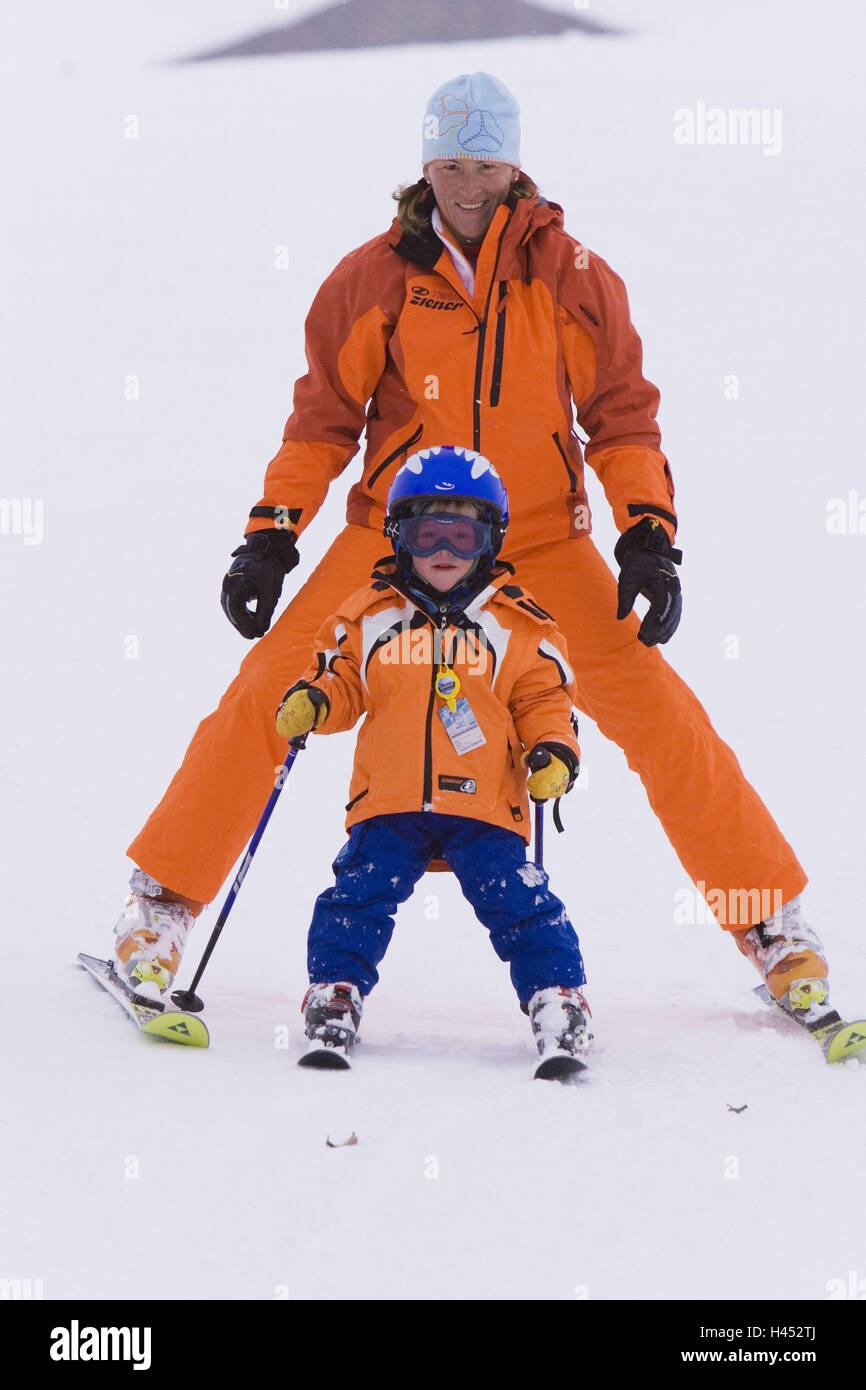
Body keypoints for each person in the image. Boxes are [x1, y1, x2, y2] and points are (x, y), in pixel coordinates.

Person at [113, 71, 829, 1023]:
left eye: (485, 162)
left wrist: (647, 534)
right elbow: (322, 423)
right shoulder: (373, 277)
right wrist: (270, 536)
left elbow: (621, 419)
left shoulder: (572, 277)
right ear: (425, 164)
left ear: (515, 164)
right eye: (450, 162)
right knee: (270, 690)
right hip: (391, 540)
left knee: (658, 712)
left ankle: (769, 920)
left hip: (537, 540)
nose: (467, 182)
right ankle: (160, 906)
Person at [274, 444, 589, 1072]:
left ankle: (557, 999)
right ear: (399, 537)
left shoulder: (517, 626)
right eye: (427, 533)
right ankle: (336, 994)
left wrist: (553, 750)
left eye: (463, 534)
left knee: (521, 902)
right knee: (357, 895)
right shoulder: (368, 618)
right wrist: (315, 698)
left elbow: (545, 699)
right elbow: (341, 682)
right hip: (388, 800)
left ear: (490, 540)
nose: (444, 550)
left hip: (486, 803)